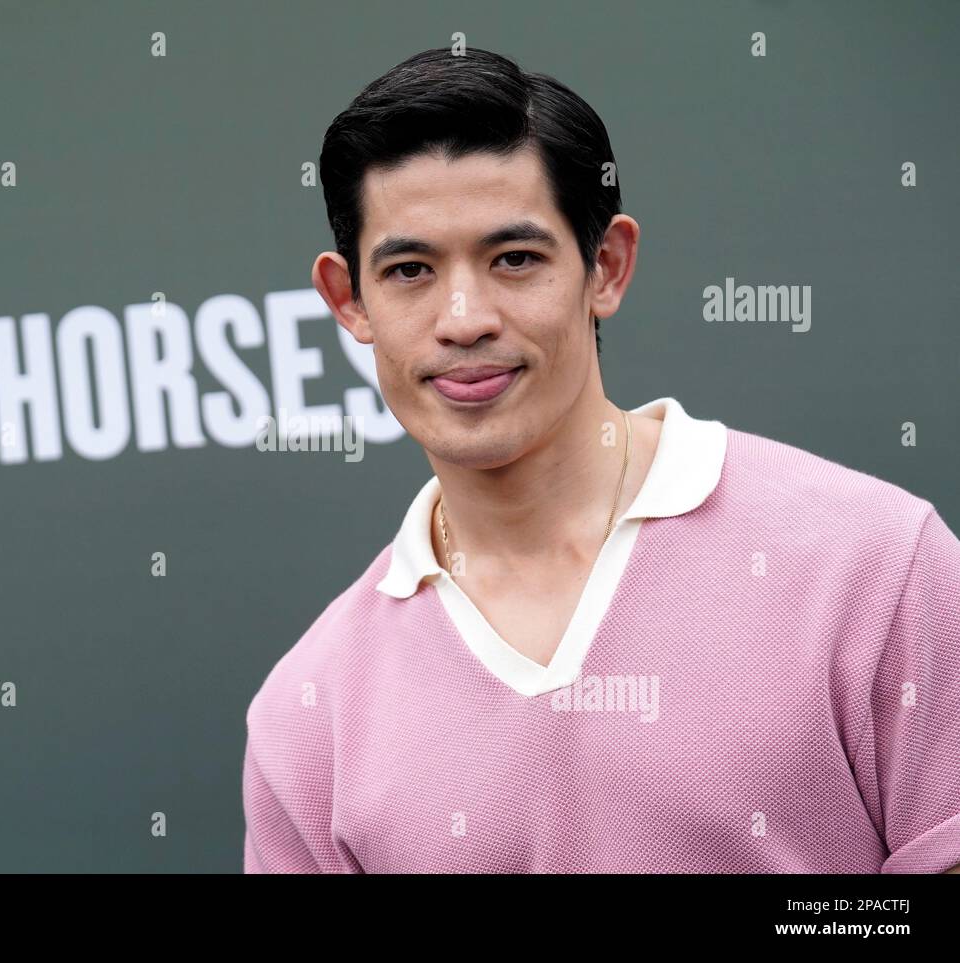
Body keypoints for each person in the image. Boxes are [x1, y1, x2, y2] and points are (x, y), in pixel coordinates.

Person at [242, 46, 960, 873]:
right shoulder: (307, 719)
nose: (465, 317)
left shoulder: (876, 565)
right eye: (410, 271)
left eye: (515, 259)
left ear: (606, 267)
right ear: (348, 301)